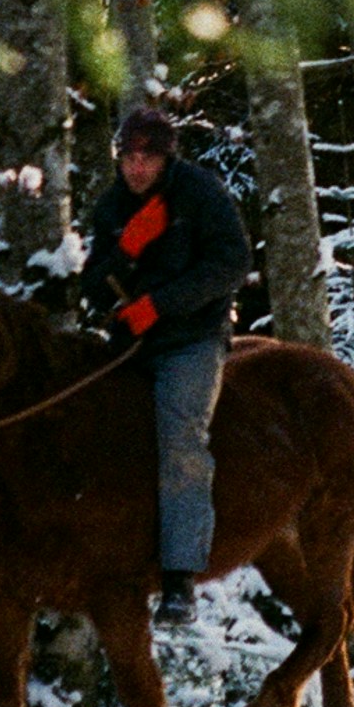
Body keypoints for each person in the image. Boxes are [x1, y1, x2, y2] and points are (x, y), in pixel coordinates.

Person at [83, 100, 253, 622]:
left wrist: (161, 304)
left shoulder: (199, 193)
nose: (137, 167)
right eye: (128, 157)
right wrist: (127, 252)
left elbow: (232, 262)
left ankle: (180, 577)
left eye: (147, 158)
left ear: (166, 157)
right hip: (130, 344)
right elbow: (93, 285)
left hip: (191, 340)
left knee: (180, 438)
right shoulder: (111, 207)